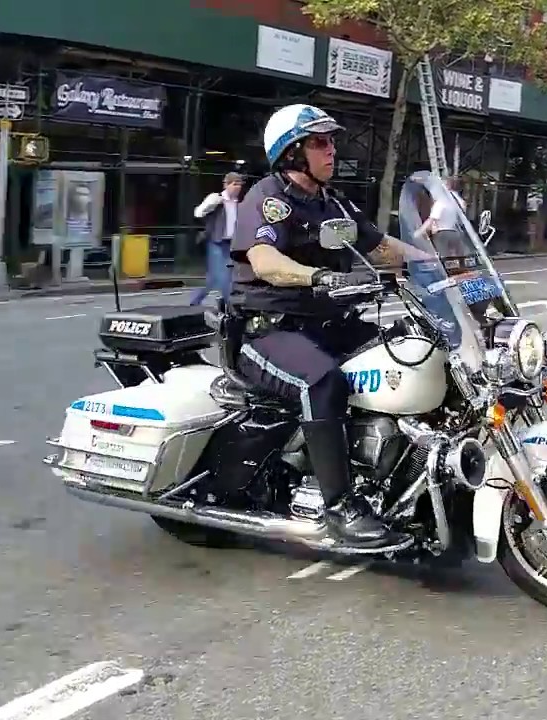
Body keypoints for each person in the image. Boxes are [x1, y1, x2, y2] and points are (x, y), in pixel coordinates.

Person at [229, 103, 425, 553]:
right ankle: (340, 507)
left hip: (331, 325)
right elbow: (265, 262)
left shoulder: (333, 202)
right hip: (268, 332)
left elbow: (380, 247)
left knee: (411, 351)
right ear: (293, 152)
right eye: (320, 142)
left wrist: (442, 266)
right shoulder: (267, 198)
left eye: (331, 141)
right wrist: (317, 276)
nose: (331, 149)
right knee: (322, 382)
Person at [190, 172, 244, 307]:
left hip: (231, 243)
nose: (237, 188)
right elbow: (198, 212)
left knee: (215, 277)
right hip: (216, 242)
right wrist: (211, 203)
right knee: (224, 276)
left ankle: (195, 302)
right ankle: (230, 305)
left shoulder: (239, 203)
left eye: (240, 185)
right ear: (226, 185)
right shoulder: (217, 199)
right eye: (234, 184)